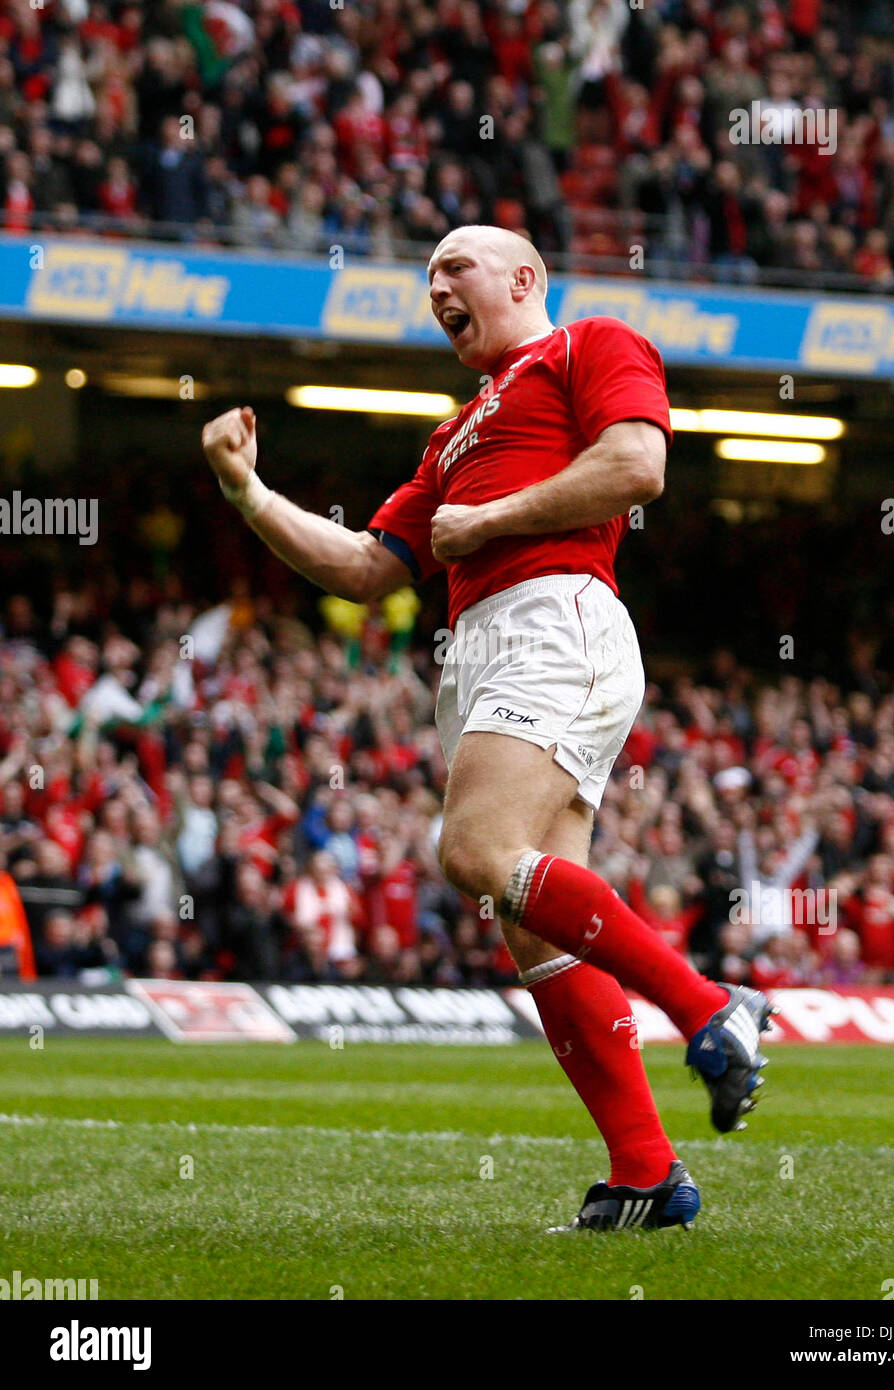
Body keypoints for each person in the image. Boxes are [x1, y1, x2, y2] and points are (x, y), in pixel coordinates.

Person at [201, 223, 774, 1234]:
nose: (435, 288)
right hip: (484, 649)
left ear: (523, 277)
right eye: (426, 277)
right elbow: (366, 567)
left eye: (453, 267)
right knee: (527, 917)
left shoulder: (588, 343)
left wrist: (496, 518)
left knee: (472, 850)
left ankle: (709, 1007)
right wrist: (248, 493)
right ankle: (646, 1172)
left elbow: (638, 466)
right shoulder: (453, 432)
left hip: (556, 617)